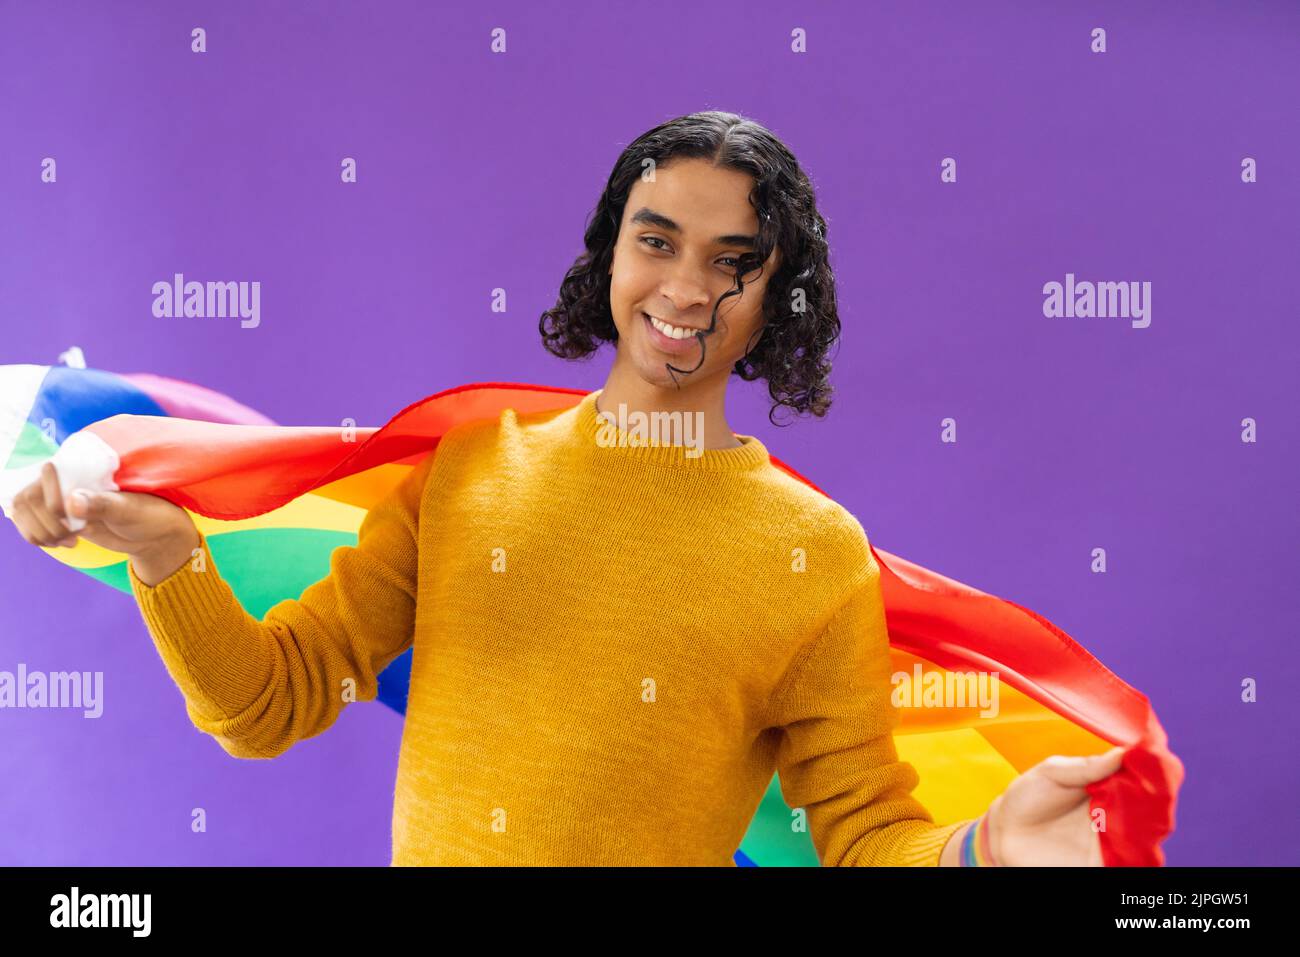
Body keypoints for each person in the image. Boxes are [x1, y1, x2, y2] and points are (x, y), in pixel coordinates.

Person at [10, 110, 1125, 866]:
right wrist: (167, 556)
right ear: (609, 258)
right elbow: (268, 707)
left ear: (776, 299)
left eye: (735, 262)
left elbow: (859, 832)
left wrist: (984, 849)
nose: (688, 288)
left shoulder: (812, 552)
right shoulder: (472, 472)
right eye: (658, 240)